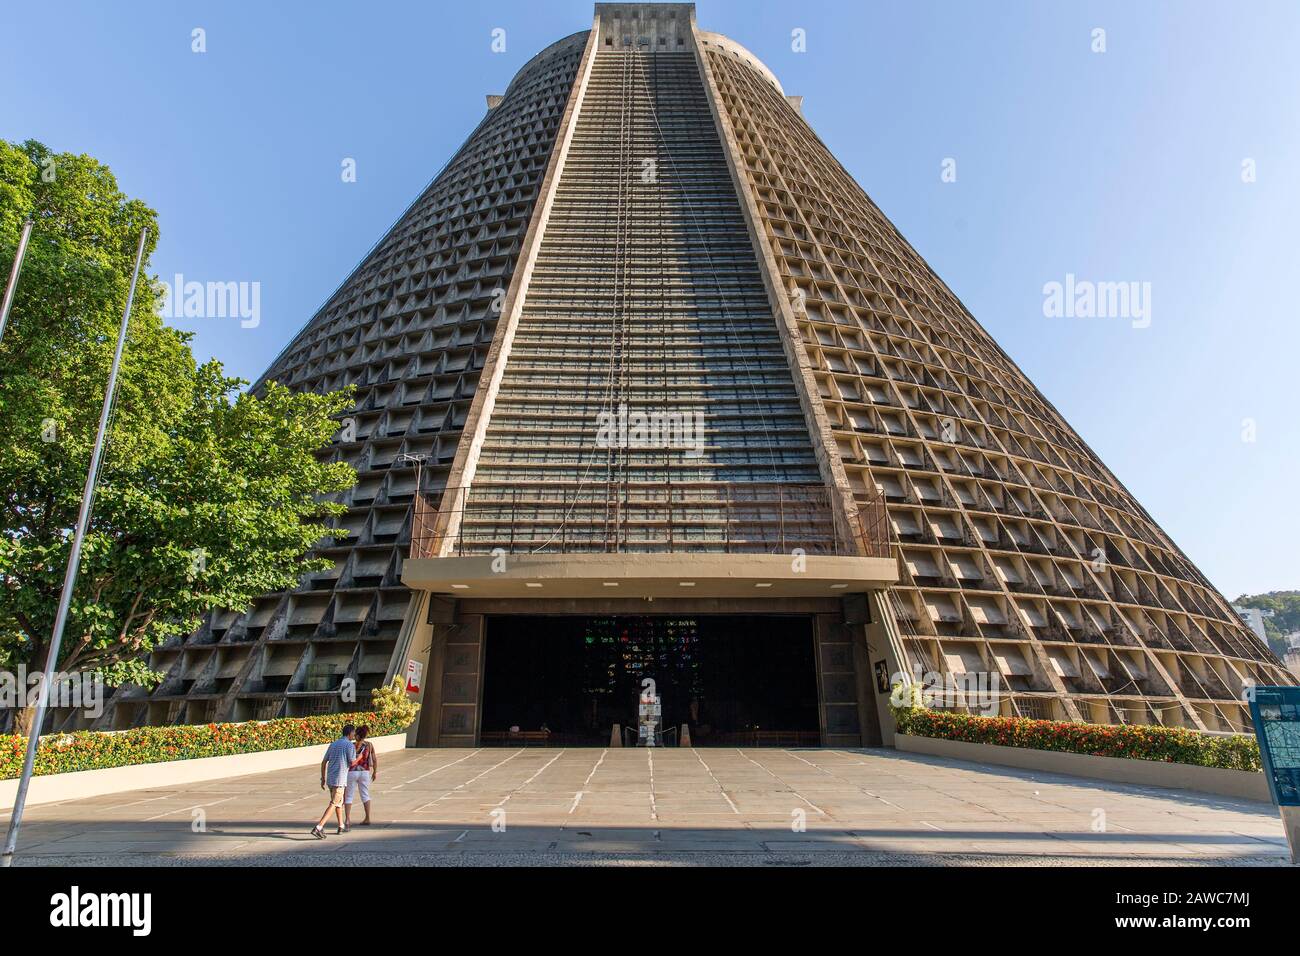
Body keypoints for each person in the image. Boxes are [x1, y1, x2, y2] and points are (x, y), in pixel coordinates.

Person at [311, 723, 355, 839]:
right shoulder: (349, 745)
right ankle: (319, 827)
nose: (354, 735)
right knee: (334, 803)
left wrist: (323, 778)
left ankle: (341, 825)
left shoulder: (334, 744)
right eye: (353, 733)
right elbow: (352, 762)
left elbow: (324, 762)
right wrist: (360, 757)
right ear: (350, 733)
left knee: (338, 802)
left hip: (331, 778)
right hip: (340, 779)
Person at [344, 725, 378, 827]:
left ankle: (347, 820)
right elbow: (374, 759)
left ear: (357, 735)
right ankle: (367, 818)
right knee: (365, 794)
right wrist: (375, 772)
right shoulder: (369, 745)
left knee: (348, 796)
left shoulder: (351, 745)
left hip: (352, 772)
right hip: (365, 772)